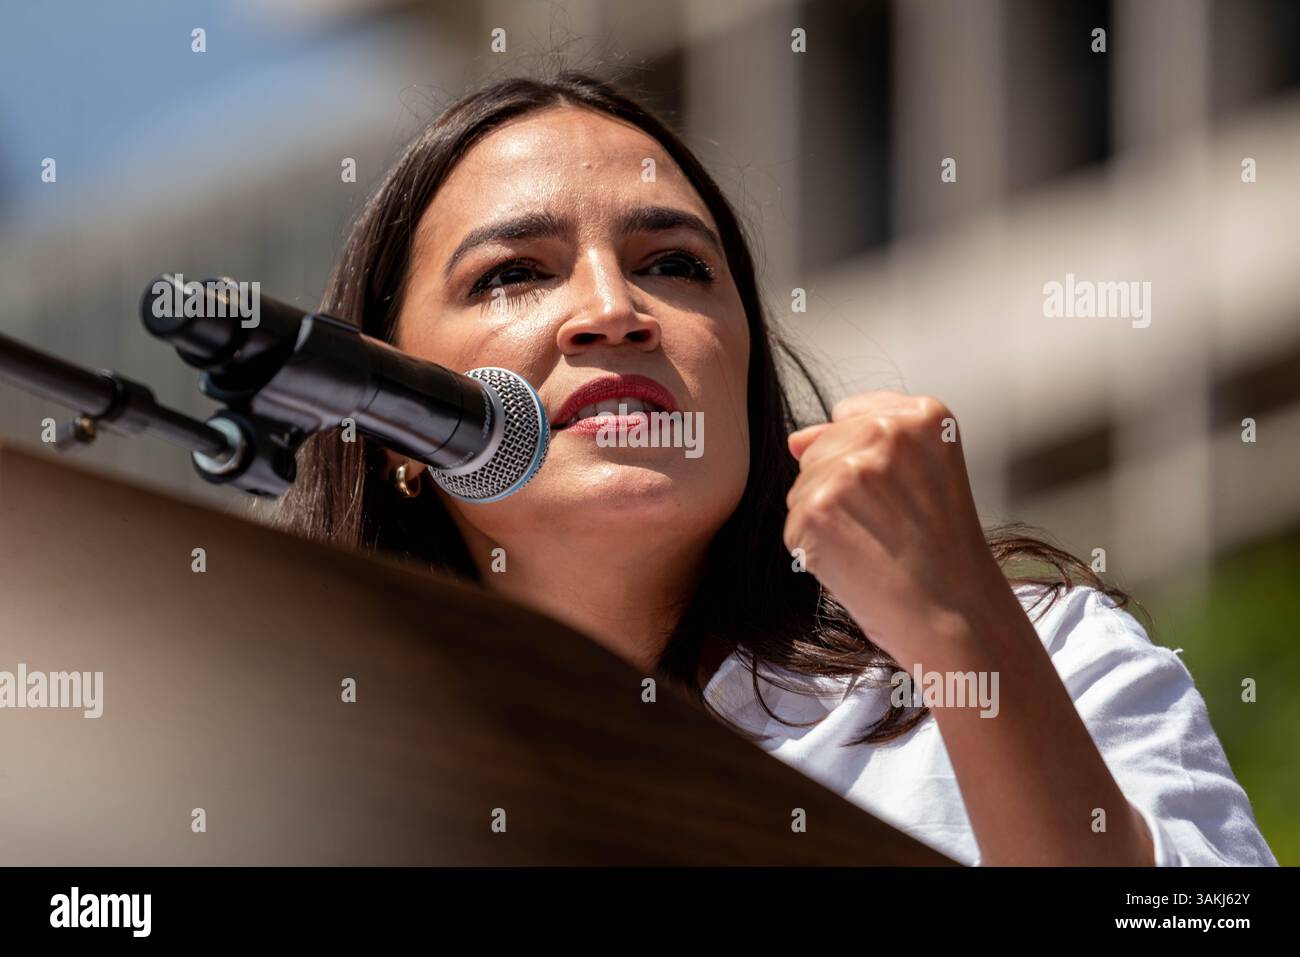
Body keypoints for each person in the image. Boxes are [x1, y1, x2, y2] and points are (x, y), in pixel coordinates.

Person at [272, 71, 1276, 866]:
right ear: (390, 424)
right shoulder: (295, 780)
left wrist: (960, 629)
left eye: (675, 264)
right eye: (513, 275)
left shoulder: (1048, 657)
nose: (613, 308)